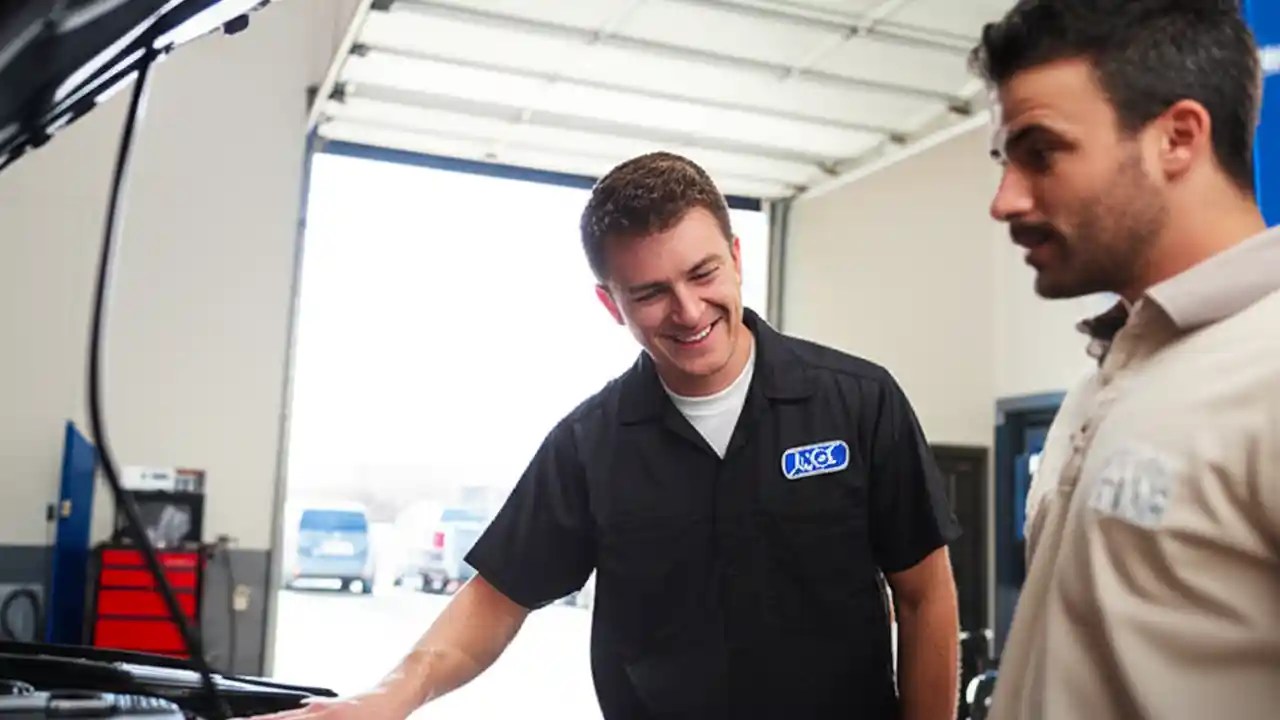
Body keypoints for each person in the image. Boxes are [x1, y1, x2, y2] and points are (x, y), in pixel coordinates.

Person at [243, 152, 962, 720]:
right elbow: (494, 601)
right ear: (609, 303)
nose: (687, 311)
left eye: (703, 273)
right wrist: (388, 698)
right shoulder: (591, 445)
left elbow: (925, 597)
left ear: (737, 257)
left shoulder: (857, 403)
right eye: (649, 293)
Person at [970, 1, 1280, 719]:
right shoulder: (1102, 382)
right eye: (1003, 158)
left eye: (1040, 151)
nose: (1005, 199)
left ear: (1177, 138)